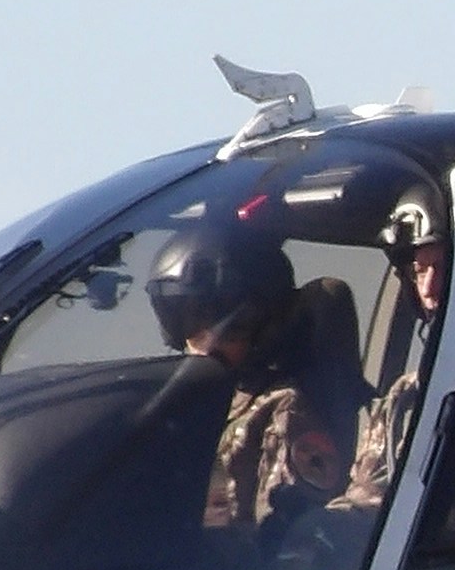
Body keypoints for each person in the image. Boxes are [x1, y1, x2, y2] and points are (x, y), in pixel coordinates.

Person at [147, 223, 360, 535]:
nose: (207, 342)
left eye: (232, 327)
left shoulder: (282, 410)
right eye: (191, 321)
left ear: (269, 329)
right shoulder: (178, 406)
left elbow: (285, 539)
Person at [337, 199, 453, 509]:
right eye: (419, 272)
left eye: (442, 269)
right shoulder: (404, 395)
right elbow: (365, 496)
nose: (428, 289)